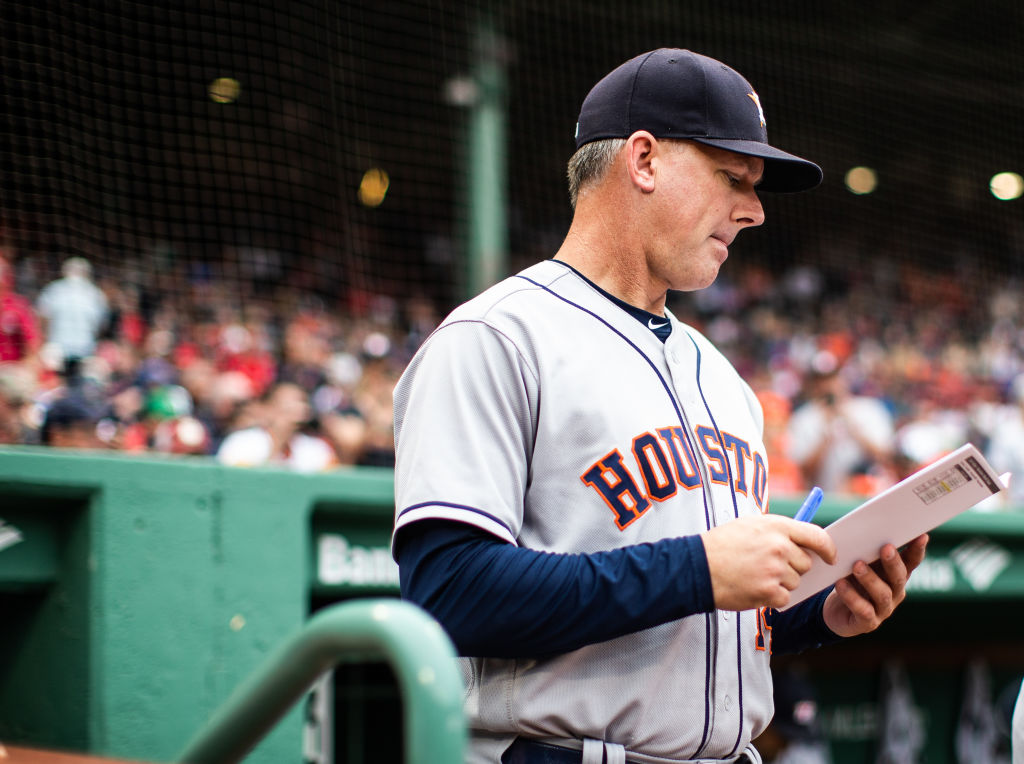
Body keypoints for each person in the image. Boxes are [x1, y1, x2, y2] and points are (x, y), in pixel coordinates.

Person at [391, 48, 928, 764]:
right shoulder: (496, 339)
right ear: (643, 160)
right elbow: (447, 595)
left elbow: (703, 623)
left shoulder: (723, 378)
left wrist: (820, 615)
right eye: (732, 178)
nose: (755, 210)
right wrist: (699, 569)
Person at [35, 256, 109, 364]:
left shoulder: (54, 289)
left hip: (64, 349)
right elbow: (101, 326)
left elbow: (42, 318)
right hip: (80, 349)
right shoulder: (95, 293)